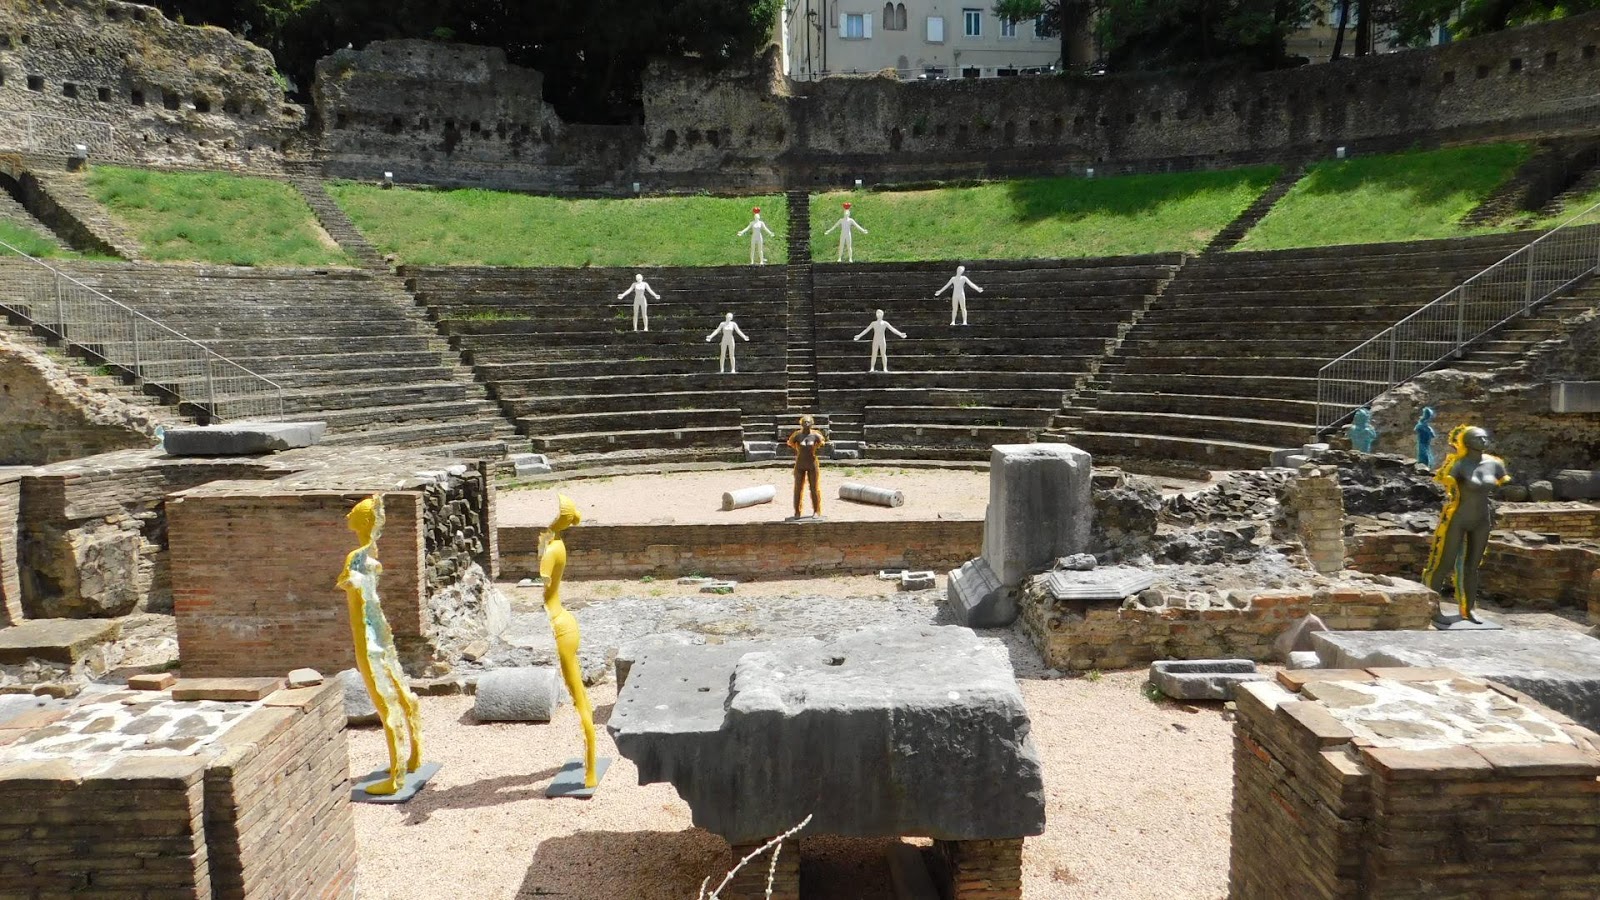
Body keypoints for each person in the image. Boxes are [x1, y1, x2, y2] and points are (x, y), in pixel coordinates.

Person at [337, 494, 423, 796]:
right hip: (381, 633)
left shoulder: (355, 556)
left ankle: (396, 777)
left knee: (387, 706)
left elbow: (350, 588)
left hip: (366, 637)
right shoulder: (371, 551)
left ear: (362, 521)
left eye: (353, 512)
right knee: (403, 695)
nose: (347, 514)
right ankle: (413, 759)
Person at [1421, 425, 1510, 623]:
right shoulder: (1459, 464)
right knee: (1444, 564)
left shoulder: (1494, 464)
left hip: (1482, 519)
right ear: (1467, 441)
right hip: (1459, 517)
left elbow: (1503, 483)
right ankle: (1432, 609)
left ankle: (1468, 609)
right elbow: (1442, 484)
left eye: (1485, 438)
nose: (1484, 442)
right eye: (1479, 438)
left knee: (1472, 567)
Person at [540, 494, 598, 788]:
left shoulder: (552, 551)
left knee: (579, 699)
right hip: (562, 621)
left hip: (561, 627)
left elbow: (540, 585)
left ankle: (589, 770)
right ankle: (588, 761)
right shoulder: (554, 544)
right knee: (580, 697)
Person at [786, 415, 828, 518]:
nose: (806, 424)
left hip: (812, 463)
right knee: (798, 488)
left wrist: (818, 445)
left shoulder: (815, 435)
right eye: (805, 422)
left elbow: (822, 443)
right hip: (800, 463)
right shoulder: (797, 435)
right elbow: (790, 443)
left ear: (812, 423)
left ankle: (816, 510)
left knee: (814, 488)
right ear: (801, 423)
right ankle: (797, 511)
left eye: (808, 422)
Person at [854, 309, 907, 373]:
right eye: (877, 313)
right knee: (874, 354)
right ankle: (872, 368)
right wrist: (859, 335)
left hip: (882, 340)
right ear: (876, 315)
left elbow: (893, 329)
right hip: (875, 340)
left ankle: (885, 368)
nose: (879, 314)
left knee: (883, 354)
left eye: (880, 313)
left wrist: (900, 334)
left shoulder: (885, 323)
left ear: (883, 314)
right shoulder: (873, 323)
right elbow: (866, 330)